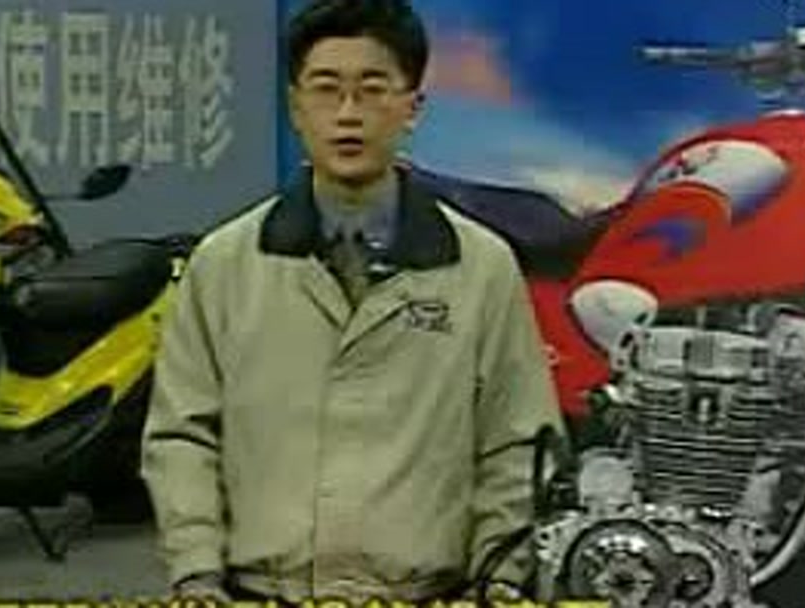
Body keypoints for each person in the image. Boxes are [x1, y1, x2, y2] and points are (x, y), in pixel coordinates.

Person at [140, 0, 566, 603]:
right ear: (295, 108)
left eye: (372, 90)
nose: (348, 114)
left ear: (412, 107)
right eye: (326, 90)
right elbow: (182, 438)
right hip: (261, 591)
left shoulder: (481, 268)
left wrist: (500, 576)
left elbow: (517, 443)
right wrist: (196, 573)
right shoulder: (226, 263)